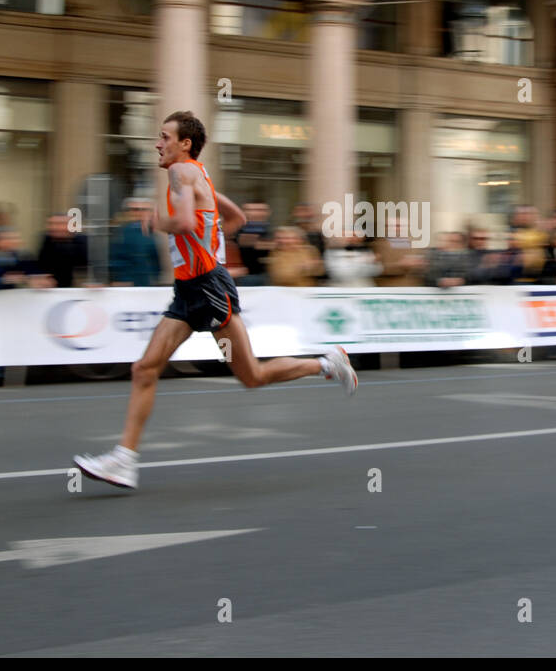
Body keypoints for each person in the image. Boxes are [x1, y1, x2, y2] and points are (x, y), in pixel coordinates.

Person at [73, 111, 357, 490]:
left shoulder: (179, 174)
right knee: (145, 368)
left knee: (251, 376)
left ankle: (328, 363)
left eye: (164, 137)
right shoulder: (198, 174)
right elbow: (236, 217)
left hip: (207, 289)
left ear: (184, 143)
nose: (157, 144)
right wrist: (213, 240)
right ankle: (124, 460)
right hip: (190, 290)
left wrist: (160, 222)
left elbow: (187, 222)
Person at [109, 198, 162, 287]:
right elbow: (116, 259)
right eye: (135, 209)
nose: (139, 213)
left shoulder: (150, 233)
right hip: (129, 283)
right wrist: (121, 279)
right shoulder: (124, 233)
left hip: (144, 283)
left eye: (144, 210)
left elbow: (155, 260)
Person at [36, 213, 89, 288]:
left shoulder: (83, 240)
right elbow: (41, 264)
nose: (54, 227)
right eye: (51, 224)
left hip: (78, 286)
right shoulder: (46, 239)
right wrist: (43, 277)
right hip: (53, 288)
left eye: (59, 224)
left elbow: (89, 266)